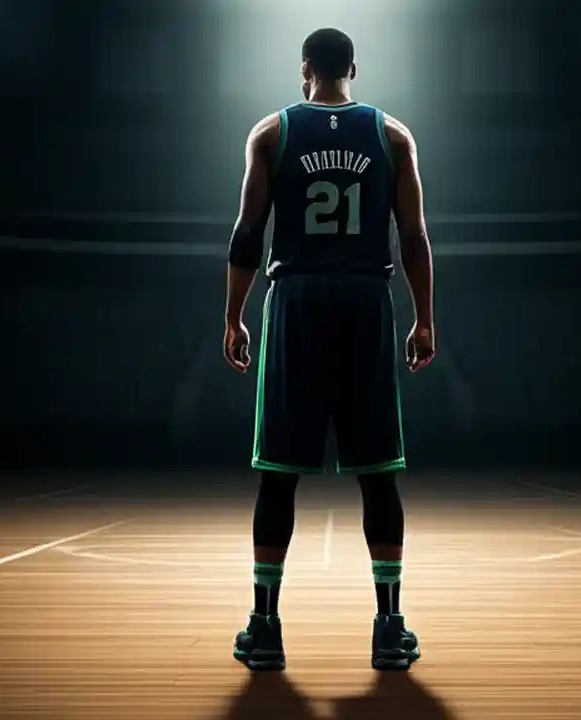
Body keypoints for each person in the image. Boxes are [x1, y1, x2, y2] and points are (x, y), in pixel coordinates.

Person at [222, 27, 435, 671]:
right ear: (354, 69)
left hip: (298, 300)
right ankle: (388, 627)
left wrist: (233, 315)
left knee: (278, 472)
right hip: (367, 300)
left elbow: (247, 233)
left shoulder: (272, 132)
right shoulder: (392, 135)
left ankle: (265, 628)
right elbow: (415, 236)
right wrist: (424, 318)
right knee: (378, 470)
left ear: (305, 68)